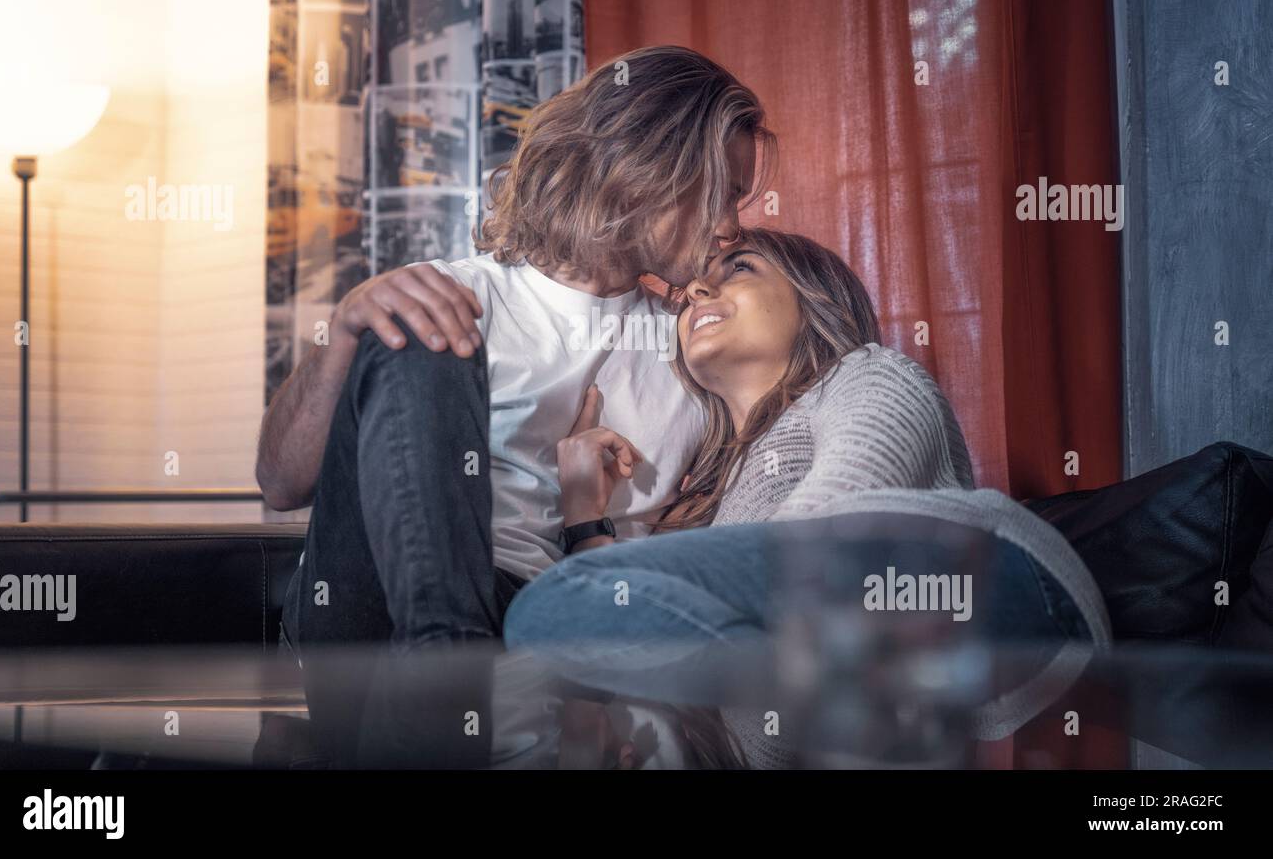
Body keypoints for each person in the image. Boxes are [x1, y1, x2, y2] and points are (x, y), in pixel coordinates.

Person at [259, 45, 777, 766]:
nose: (732, 226)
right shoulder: (454, 291)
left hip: (553, 631)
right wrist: (346, 329)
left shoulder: (697, 345)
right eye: (722, 193)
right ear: (643, 170)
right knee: (422, 319)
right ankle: (450, 670)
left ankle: (453, 687)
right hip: (374, 624)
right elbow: (280, 484)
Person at [504, 228, 1111, 767]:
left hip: (961, 587)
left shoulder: (863, 374)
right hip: (791, 720)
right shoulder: (707, 497)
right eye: (693, 288)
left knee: (551, 613)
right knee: (555, 623)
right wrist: (585, 514)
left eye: (738, 269)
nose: (695, 294)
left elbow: (850, 514)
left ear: (815, 298)